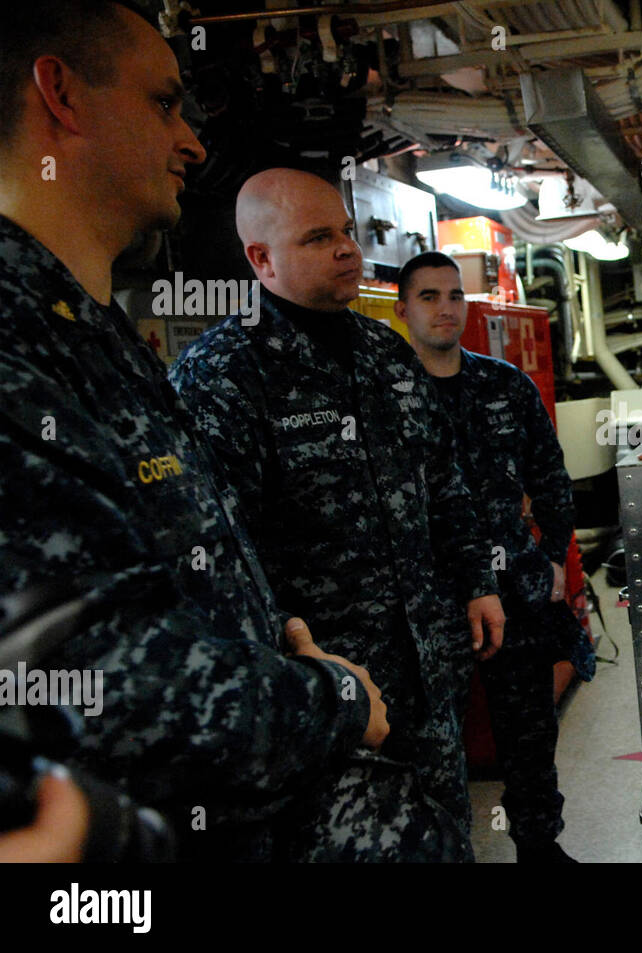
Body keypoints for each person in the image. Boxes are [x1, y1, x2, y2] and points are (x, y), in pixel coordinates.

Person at [0, 0, 394, 861]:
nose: (193, 143)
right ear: (61, 95)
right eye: (163, 103)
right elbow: (96, 687)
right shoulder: (18, 340)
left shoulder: (89, 333)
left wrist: (273, 631)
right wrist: (328, 698)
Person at [169, 171, 506, 860]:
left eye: (348, 231)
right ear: (261, 259)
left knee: (445, 835)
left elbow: (442, 478)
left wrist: (478, 579)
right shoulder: (223, 375)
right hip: (327, 687)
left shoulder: (386, 353)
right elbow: (219, 552)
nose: (348, 249)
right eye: (319, 237)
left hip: (425, 665)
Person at [395, 251, 594, 863]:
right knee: (435, 745)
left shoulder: (505, 385)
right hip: (433, 597)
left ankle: (539, 846)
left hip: (517, 590)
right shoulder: (385, 396)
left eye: (454, 295)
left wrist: (557, 555)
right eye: (428, 296)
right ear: (402, 309)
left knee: (529, 735)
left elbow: (552, 477)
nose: (445, 308)